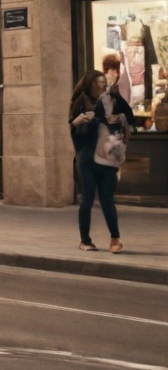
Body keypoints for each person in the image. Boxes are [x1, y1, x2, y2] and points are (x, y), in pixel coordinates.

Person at [71, 69, 128, 252]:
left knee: (107, 198)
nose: (102, 86)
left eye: (104, 82)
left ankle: (115, 239)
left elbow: (122, 124)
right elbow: (76, 132)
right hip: (87, 159)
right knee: (87, 199)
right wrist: (84, 122)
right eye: (98, 82)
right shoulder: (80, 103)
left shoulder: (110, 102)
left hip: (107, 158)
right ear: (89, 85)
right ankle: (85, 240)